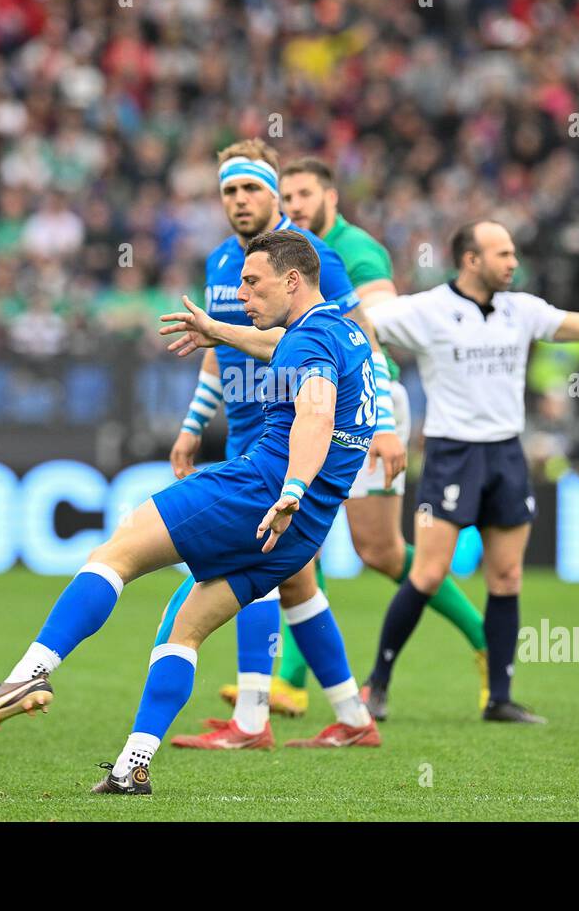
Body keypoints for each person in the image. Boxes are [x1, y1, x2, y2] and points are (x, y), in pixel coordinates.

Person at [0, 230, 382, 793]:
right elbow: (281, 350)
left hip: (260, 489)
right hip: (301, 533)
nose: (242, 294)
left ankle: (28, 673)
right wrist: (216, 331)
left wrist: (292, 486)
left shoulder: (307, 345)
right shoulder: (342, 332)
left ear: (293, 280)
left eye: (252, 283)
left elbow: (316, 413)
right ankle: (133, 767)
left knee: (116, 553)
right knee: (184, 630)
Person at [361, 220, 579, 722]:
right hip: (452, 453)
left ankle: (498, 697)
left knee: (506, 576)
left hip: (505, 454)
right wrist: (373, 384)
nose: (513, 262)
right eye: (502, 254)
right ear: (470, 260)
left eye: (512, 252)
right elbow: (361, 326)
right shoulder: (427, 309)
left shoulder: (519, 310)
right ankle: (379, 683)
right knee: (430, 571)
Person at [160, 140, 403, 749]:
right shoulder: (221, 262)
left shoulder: (313, 260)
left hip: (295, 435)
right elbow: (216, 351)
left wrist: (389, 420)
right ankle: (352, 718)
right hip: (246, 430)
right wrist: (193, 426)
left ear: (272, 194)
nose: (239, 201)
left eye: (251, 189)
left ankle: (251, 720)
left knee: (259, 568)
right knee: (294, 581)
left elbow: (362, 340)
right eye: (228, 191)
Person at [273, 156, 491, 716]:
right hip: (322, 400)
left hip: (368, 404)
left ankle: (485, 640)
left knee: (380, 551)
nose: (293, 205)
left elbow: (375, 336)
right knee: (302, 537)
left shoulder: (359, 251)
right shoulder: (289, 251)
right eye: (287, 195)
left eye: (303, 194)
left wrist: (387, 425)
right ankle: (291, 683)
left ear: (331, 196)